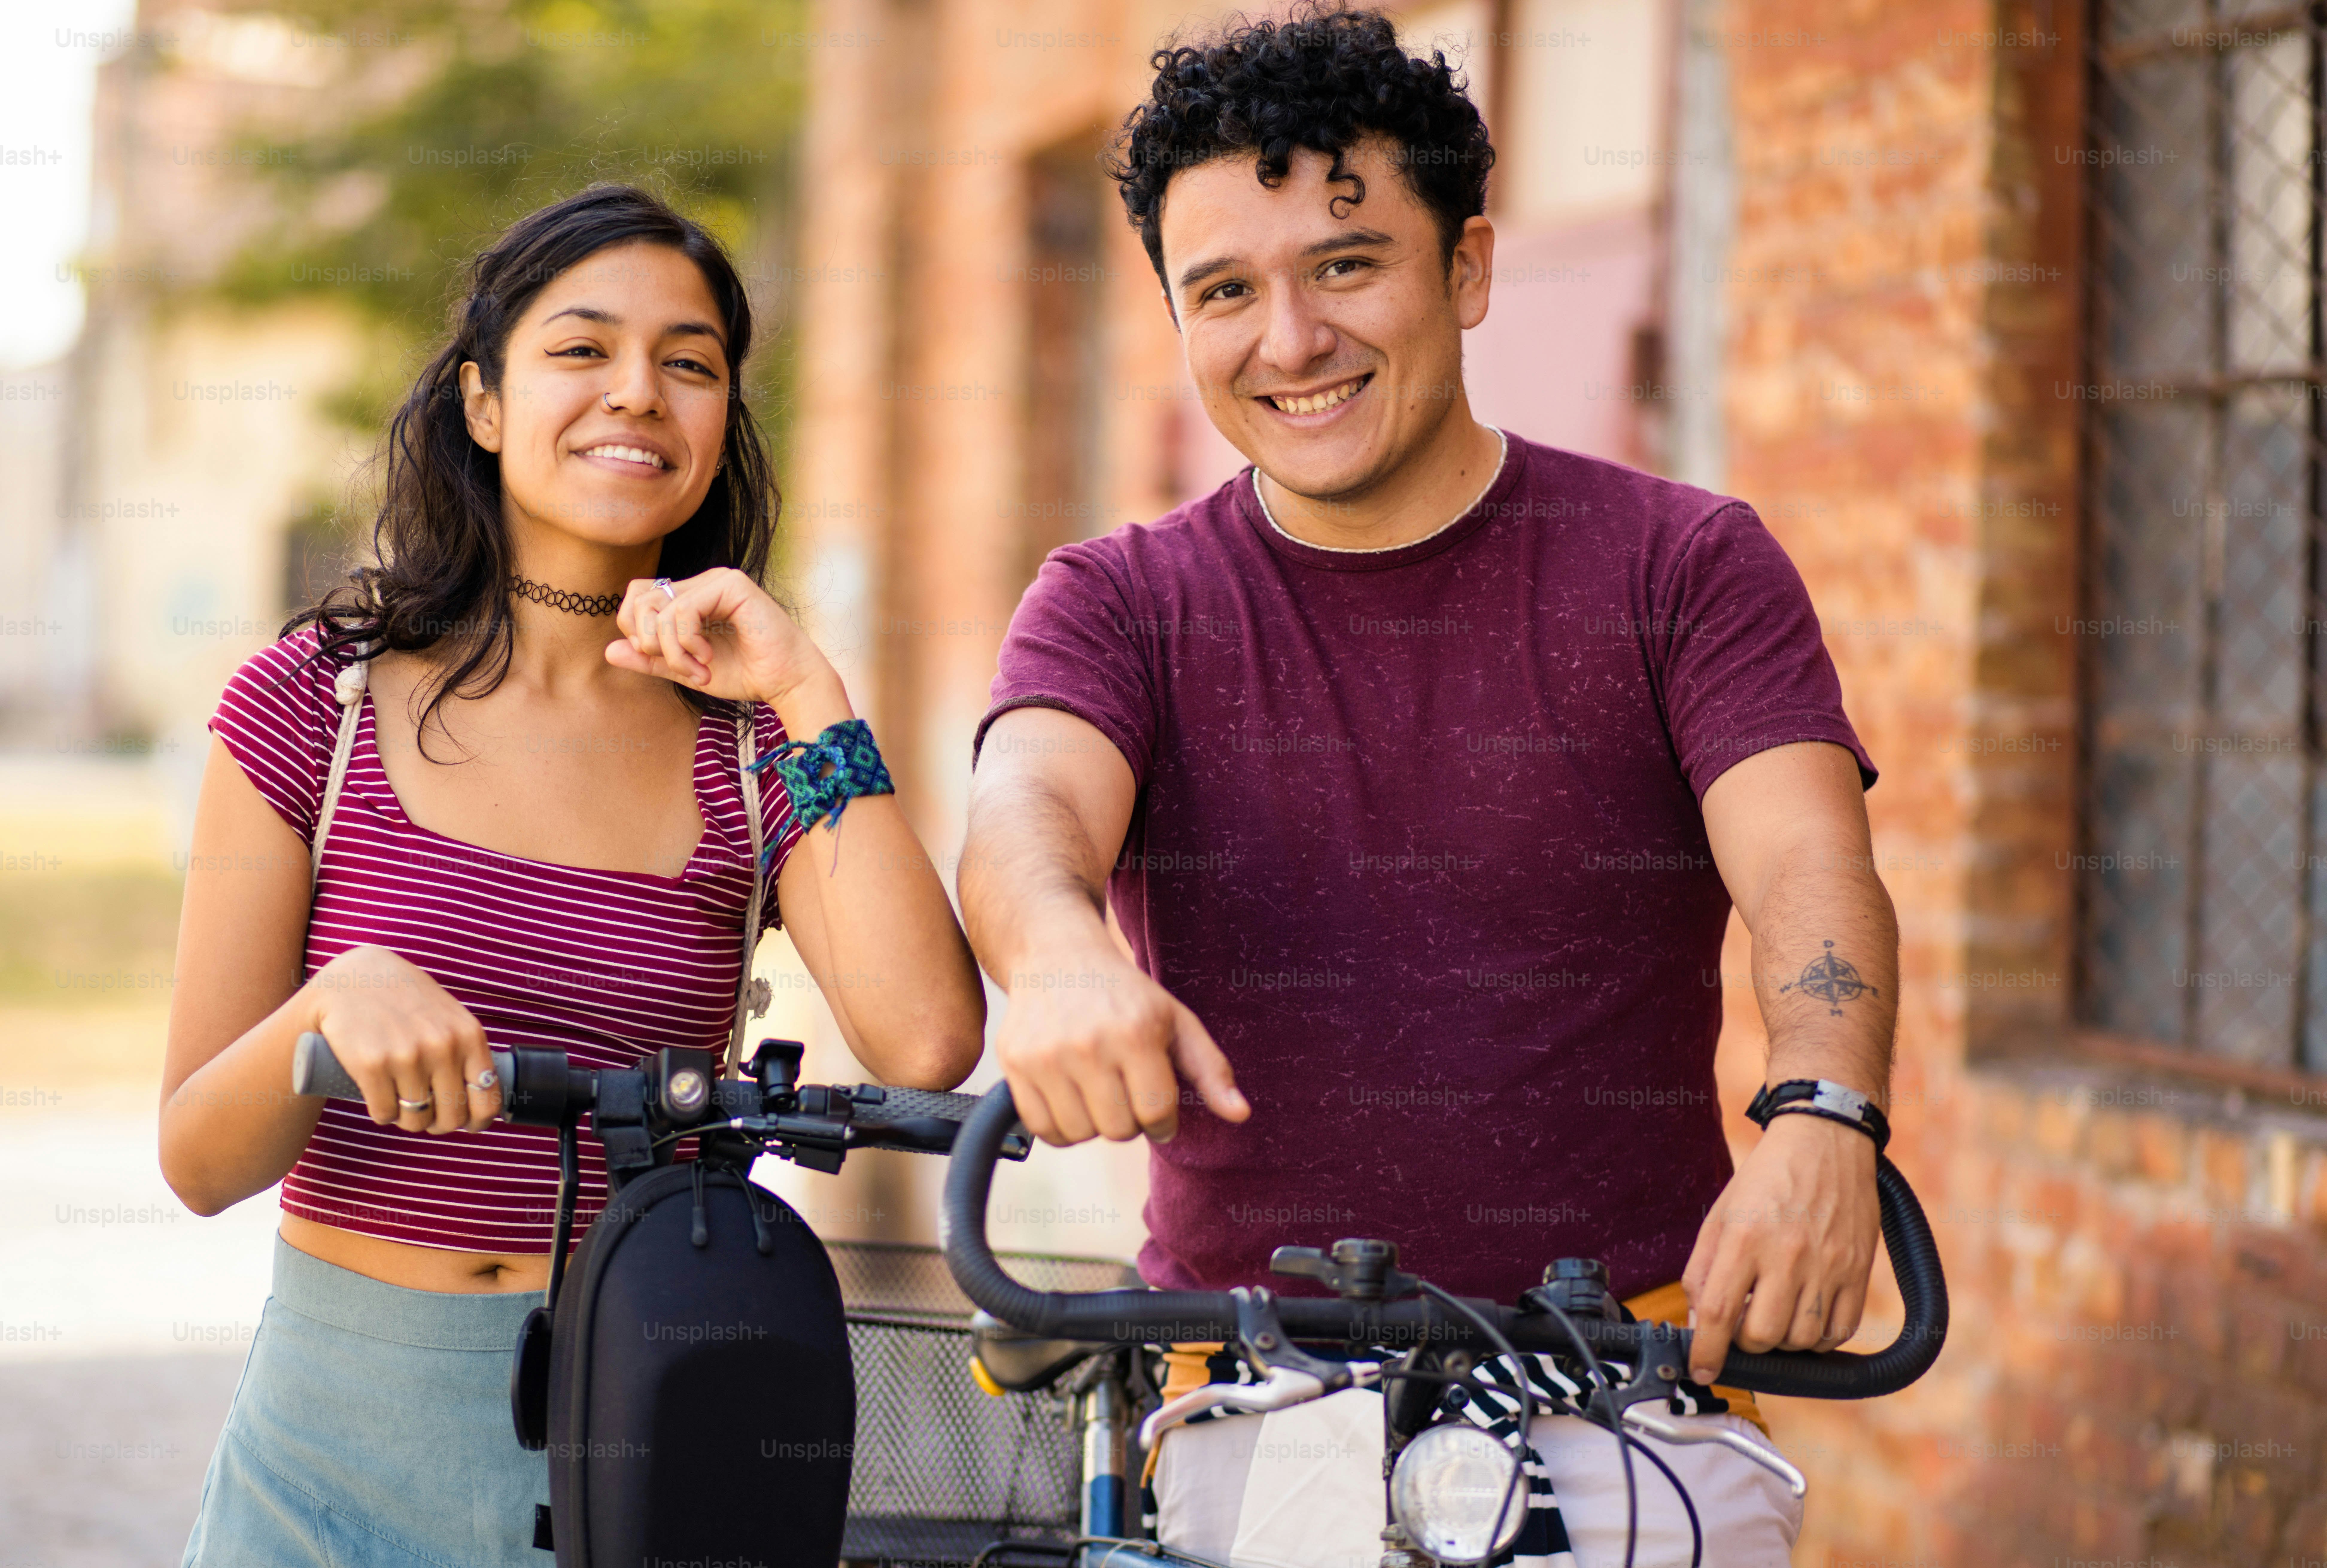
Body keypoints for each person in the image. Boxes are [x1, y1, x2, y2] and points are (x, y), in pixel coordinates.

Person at [957, 11, 1896, 1565]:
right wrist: (1057, 962)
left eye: (1345, 265)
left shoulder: (1684, 566)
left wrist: (1823, 1113)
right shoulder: (1118, 600)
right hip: (1261, 1391)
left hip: (1628, 1387)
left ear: (1466, 273)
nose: (1290, 339)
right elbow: (1025, 817)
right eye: (1226, 292)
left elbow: (1811, 863)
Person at [162, 184, 985, 1567]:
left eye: (690, 364)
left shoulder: (751, 747)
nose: (640, 394)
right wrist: (327, 1006)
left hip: (638, 1450)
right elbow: (198, 1158)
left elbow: (930, 1033)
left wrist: (807, 693)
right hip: (323, 1465)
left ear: (723, 419)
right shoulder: (317, 704)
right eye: (582, 349)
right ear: (484, 401)